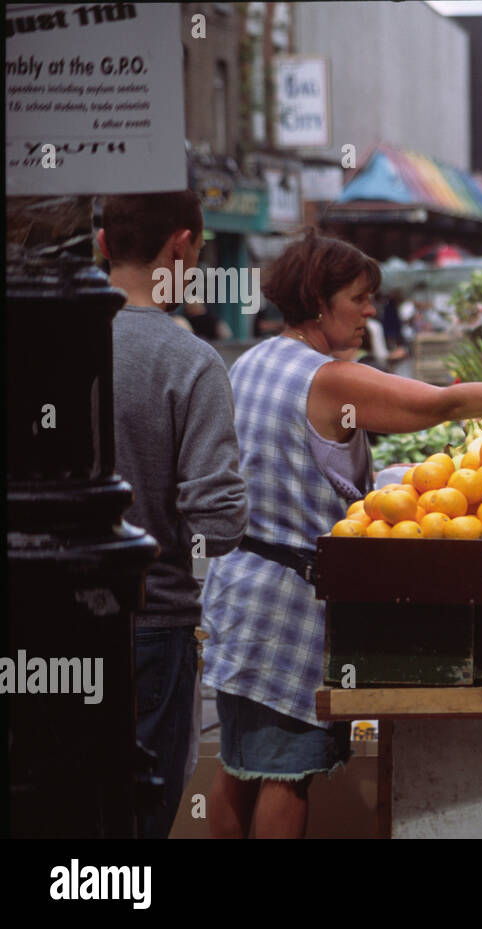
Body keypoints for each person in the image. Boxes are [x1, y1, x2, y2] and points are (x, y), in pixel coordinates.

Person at [200, 229, 482, 839]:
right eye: (359, 298)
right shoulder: (328, 379)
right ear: (319, 300)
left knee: (238, 764)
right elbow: (438, 405)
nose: (372, 311)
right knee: (285, 774)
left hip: (239, 587)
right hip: (285, 605)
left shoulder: (255, 359)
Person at [95, 191, 249, 839]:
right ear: (181, 245)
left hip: (44, 624)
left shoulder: (42, 344)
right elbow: (219, 519)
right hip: (153, 623)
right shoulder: (189, 360)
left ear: (103, 245)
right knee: (139, 817)